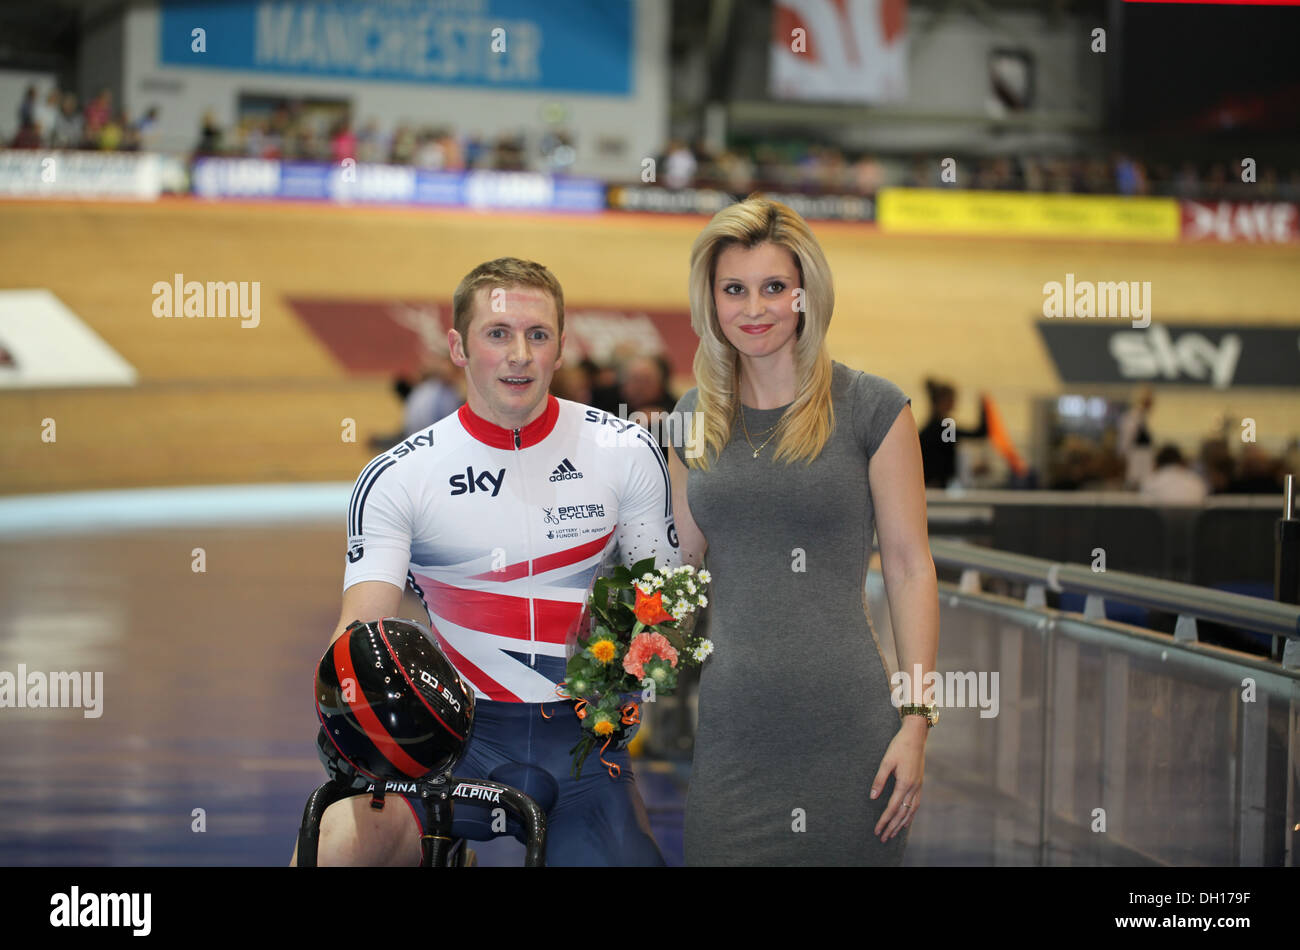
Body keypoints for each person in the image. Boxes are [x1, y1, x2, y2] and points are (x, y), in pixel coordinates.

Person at [294, 258, 678, 866]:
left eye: (538, 334)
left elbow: (664, 601)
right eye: (497, 333)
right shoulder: (399, 475)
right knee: (330, 849)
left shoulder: (624, 451)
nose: (519, 354)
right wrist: (362, 724)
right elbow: (357, 633)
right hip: (441, 744)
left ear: (560, 344)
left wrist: (628, 674)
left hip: (581, 747)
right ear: (458, 347)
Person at [667, 196, 938, 865]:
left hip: (851, 737)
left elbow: (909, 569)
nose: (754, 309)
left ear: (805, 296)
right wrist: (604, 664)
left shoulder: (874, 407)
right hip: (732, 736)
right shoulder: (688, 416)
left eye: (773, 288)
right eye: (735, 289)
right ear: (711, 300)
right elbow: (677, 571)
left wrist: (917, 722)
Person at [917, 377, 988, 489]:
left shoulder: (935, 426)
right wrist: (984, 408)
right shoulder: (943, 427)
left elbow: (946, 458)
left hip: (934, 485)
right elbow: (979, 434)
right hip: (937, 487)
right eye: (952, 399)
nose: (955, 403)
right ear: (943, 401)